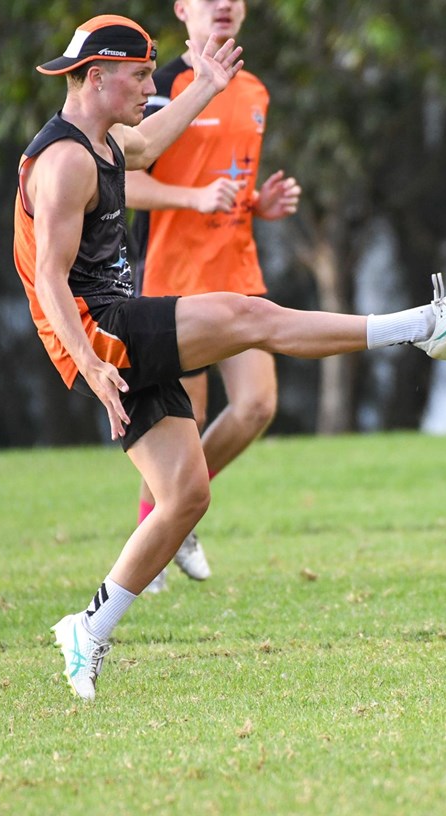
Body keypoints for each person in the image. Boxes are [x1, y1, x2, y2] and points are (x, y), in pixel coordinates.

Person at [12, 14, 446, 700]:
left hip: (108, 336)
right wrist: (92, 363)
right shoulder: (65, 161)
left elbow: (149, 142)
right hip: (105, 329)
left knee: (186, 494)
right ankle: (426, 325)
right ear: (96, 78)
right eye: (139, 75)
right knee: (251, 318)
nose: (151, 85)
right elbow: (48, 280)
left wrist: (204, 86)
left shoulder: (104, 139)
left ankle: (88, 630)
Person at [125, 0, 297, 594]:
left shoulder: (255, 91)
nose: (223, 5)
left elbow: (228, 186)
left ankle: (178, 513)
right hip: (173, 276)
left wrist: (259, 205)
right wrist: (193, 199)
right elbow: (125, 181)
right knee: (185, 418)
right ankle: (161, 527)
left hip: (237, 272)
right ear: (182, 9)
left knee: (256, 406)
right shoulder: (163, 84)